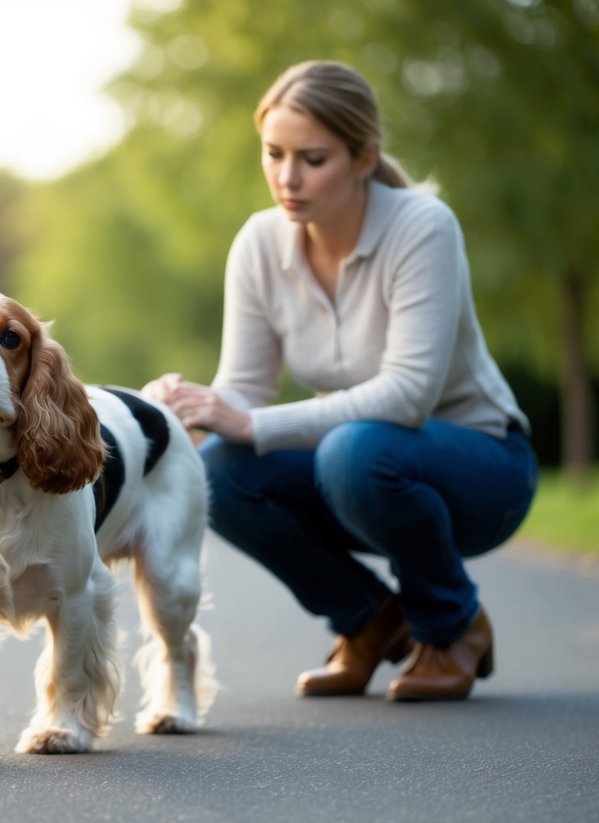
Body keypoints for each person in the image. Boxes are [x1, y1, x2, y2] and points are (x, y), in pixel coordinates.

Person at [143, 60, 538, 702]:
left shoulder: (422, 226)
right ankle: (370, 619)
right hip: (359, 471)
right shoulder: (258, 243)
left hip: (483, 472)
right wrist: (183, 409)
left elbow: (408, 394)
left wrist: (249, 420)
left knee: (356, 448)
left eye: (313, 158)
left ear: (364, 158)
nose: (287, 177)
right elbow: (242, 390)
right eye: (274, 154)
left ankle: (452, 622)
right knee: (216, 469)